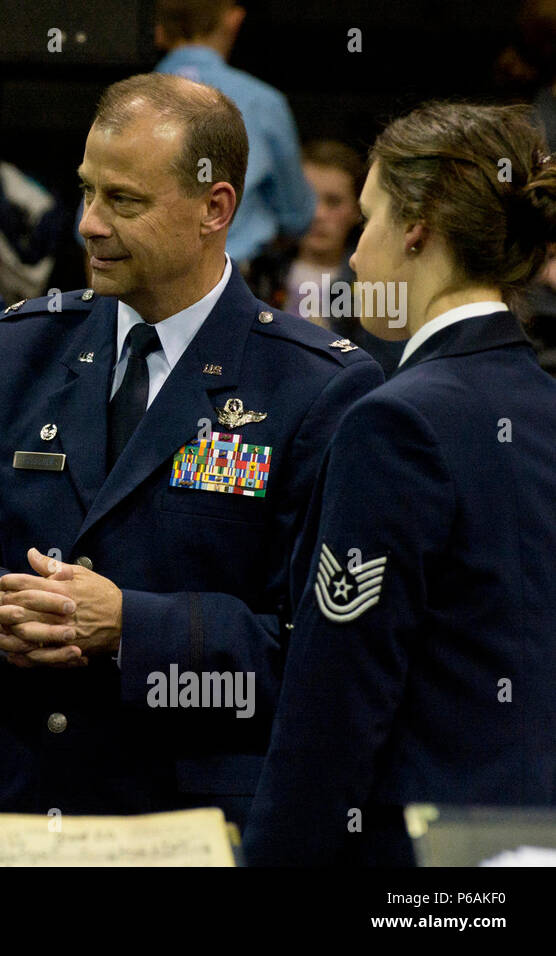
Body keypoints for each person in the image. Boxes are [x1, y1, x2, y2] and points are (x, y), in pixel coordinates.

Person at [0, 73, 382, 826]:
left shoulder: (314, 385)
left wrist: (131, 625)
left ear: (214, 208)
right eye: (88, 192)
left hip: (190, 823)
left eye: (123, 201)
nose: (89, 224)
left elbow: (318, 648)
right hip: (25, 809)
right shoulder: (20, 351)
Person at [244, 103, 556, 866]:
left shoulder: (395, 425)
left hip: (421, 865)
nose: (354, 254)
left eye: (370, 217)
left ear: (416, 225)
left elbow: (337, 701)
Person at [154, 0, 314, 265]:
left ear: (159, 31)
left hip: (143, 286)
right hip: (232, 281)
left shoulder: (125, 102)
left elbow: (91, 225)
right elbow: (296, 215)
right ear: (234, 20)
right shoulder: (263, 102)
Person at [250, 140, 404, 376]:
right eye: (307, 199)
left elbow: (387, 371)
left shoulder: (377, 284)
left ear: (357, 209)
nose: (319, 214)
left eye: (334, 202)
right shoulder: (258, 269)